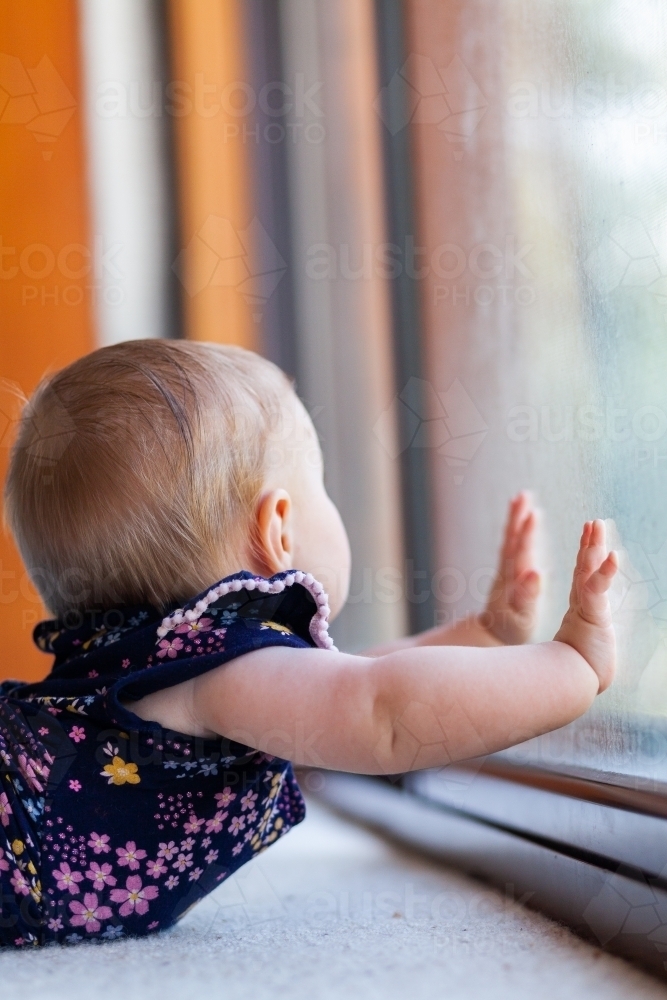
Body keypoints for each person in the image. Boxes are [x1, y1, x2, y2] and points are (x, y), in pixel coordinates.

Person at [0, 340, 617, 947]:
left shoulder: (168, 663)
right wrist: (570, 668)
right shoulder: (216, 668)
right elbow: (382, 713)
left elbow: (346, 684)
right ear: (279, 529)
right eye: (321, 484)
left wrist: (486, 635)